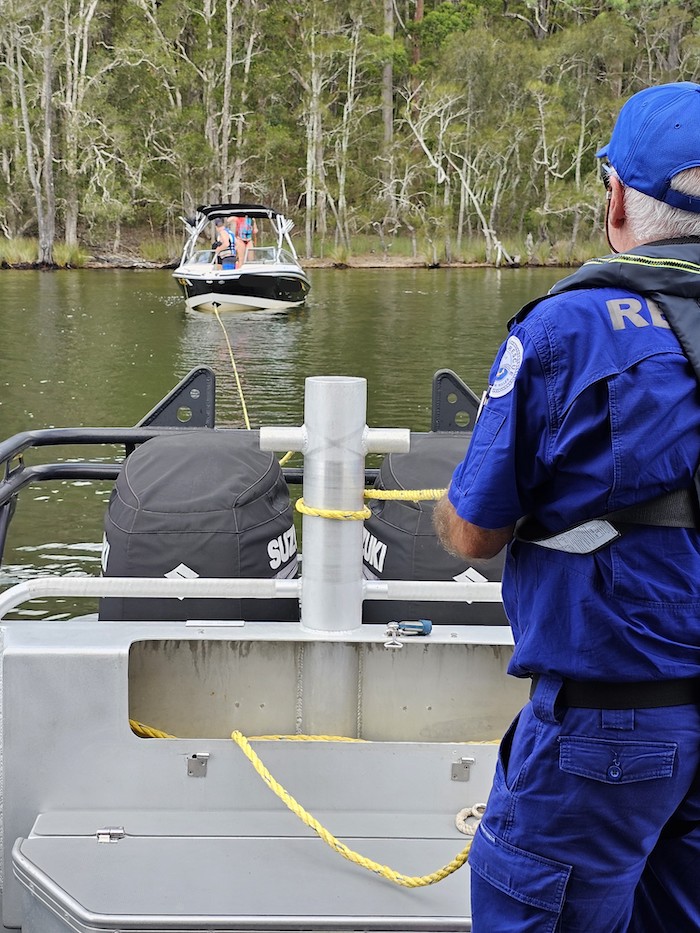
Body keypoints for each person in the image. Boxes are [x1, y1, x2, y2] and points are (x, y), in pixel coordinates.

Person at [434, 81, 700, 932]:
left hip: (608, 735)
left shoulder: (569, 331)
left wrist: (445, 512)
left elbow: (475, 530)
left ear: (618, 199)